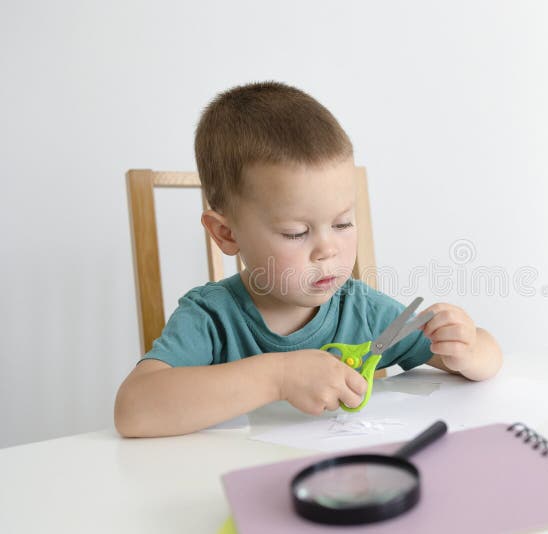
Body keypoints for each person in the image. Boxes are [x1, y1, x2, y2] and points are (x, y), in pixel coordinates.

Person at [114, 81, 503, 438]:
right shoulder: (211, 318)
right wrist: (277, 378)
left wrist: (467, 348)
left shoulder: (362, 312)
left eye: (343, 223)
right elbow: (133, 410)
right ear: (226, 234)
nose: (327, 250)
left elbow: (487, 357)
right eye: (296, 233)